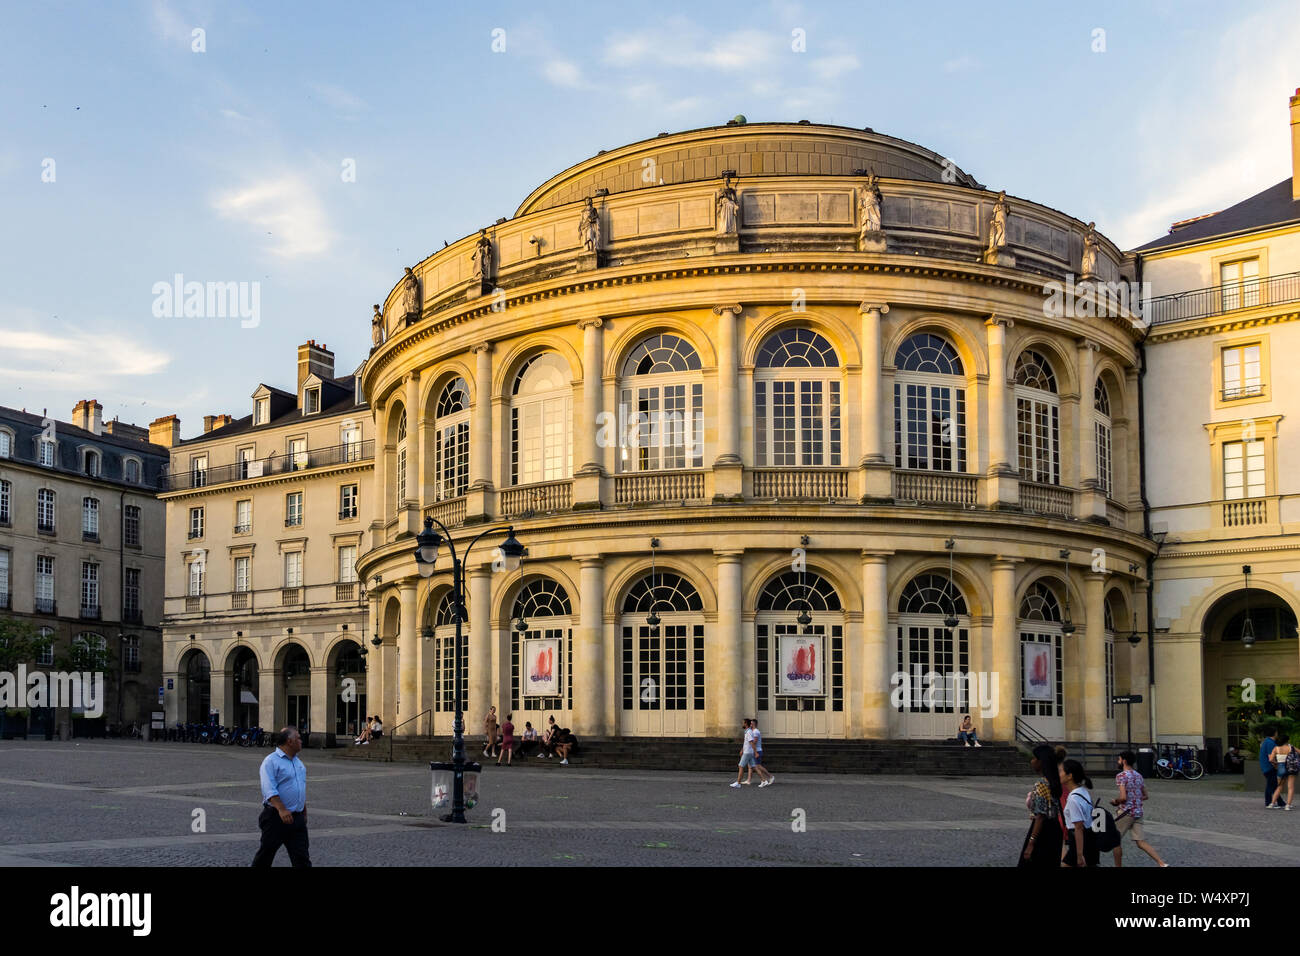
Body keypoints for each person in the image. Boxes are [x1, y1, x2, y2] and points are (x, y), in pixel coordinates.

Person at [252, 727, 310, 867]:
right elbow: (268, 789)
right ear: (289, 741)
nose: (301, 741)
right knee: (265, 856)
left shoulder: (298, 762)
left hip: (296, 818)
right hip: (276, 817)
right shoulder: (271, 761)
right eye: (298, 738)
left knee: (302, 858)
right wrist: (281, 809)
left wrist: (303, 809)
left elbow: (300, 787)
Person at [1112, 751, 1168, 867]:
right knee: (1140, 841)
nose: (1118, 762)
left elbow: (1123, 798)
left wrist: (1115, 801)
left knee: (1115, 840)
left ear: (1124, 761)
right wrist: (1135, 798)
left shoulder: (1121, 776)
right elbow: (1145, 796)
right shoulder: (1138, 775)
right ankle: (1162, 863)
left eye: (1119, 759)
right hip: (1138, 812)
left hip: (1126, 813)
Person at [1018, 744, 1063, 868]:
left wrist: (1031, 842)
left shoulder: (1041, 784)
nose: (1031, 761)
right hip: (1055, 829)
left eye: (1034, 758)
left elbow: (1040, 816)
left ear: (1040, 762)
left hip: (1043, 831)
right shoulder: (1054, 781)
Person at [1060, 759, 1099, 868]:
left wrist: (1079, 855)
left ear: (1069, 776)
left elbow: (1078, 828)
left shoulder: (1073, 799)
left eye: (1061, 771)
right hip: (1090, 840)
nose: (1059, 774)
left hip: (1079, 843)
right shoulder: (1083, 791)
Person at [1268, 734, 1295, 809]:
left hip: (1280, 768)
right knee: (1290, 787)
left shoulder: (1276, 748)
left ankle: (1272, 804)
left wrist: (1276, 764)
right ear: (1287, 741)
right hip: (1290, 768)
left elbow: (1270, 759)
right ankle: (1288, 806)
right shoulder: (1290, 747)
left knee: (1279, 787)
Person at [746, 718, 775, 787]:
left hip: (757, 750)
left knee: (757, 766)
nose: (750, 724)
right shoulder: (752, 731)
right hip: (754, 750)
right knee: (750, 766)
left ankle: (769, 777)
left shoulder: (756, 731)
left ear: (754, 724)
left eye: (751, 723)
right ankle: (749, 780)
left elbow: (754, 742)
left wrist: (748, 745)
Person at [731, 719, 758, 788]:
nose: (742, 724)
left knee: (741, 766)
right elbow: (746, 743)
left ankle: (738, 783)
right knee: (754, 766)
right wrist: (742, 750)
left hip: (747, 752)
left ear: (746, 724)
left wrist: (755, 752)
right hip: (748, 751)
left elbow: (751, 742)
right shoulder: (747, 731)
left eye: (743, 723)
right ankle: (764, 780)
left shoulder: (748, 732)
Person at [1260, 726, 1278, 808]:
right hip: (1269, 767)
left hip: (1266, 767)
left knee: (1273, 785)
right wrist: (1276, 765)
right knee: (1271, 785)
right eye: (1276, 732)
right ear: (1274, 733)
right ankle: (1268, 802)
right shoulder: (1270, 743)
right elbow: (1271, 758)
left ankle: (1280, 802)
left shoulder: (1266, 741)